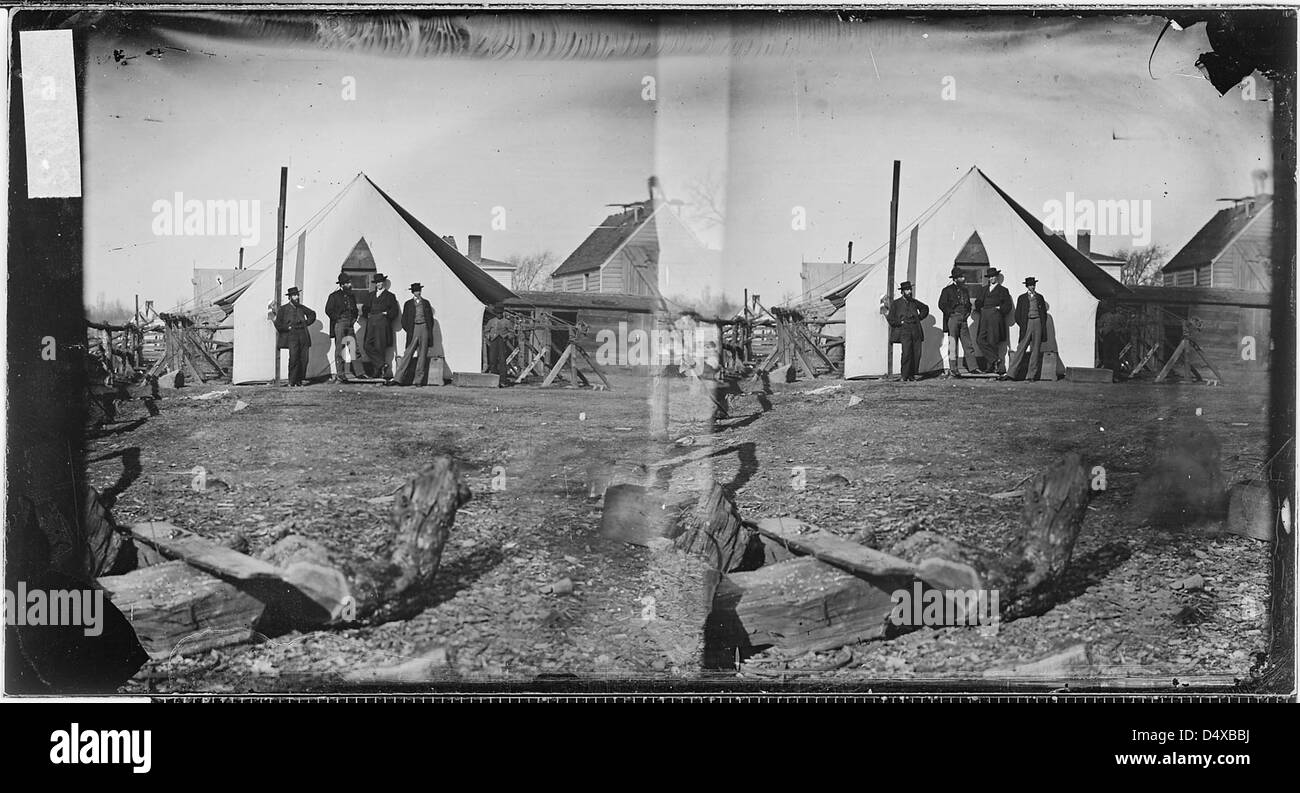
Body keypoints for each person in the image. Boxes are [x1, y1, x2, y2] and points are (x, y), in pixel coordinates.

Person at [392, 283, 445, 386]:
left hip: (424, 327)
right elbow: (404, 320)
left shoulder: (425, 303)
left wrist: (427, 329)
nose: (418, 292)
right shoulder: (408, 304)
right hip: (414, 328)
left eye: (419, 290)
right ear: (413, 292)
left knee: (422, 354)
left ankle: (418, 380)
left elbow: (430, 319)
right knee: (408, 353)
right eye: (416, 291)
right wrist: (410, 329)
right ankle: (398, 378)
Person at [1002, 277, 1050, 381]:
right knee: (1021, 348)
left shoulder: (1040, 297)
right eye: (1030, 285)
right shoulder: (1022, 298)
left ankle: (1031, 376)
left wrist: (1040, 325)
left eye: (1033, 285)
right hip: (1027, 323)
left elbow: (1044, 315)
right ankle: (1011, 373)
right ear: (1027, 286)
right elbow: (1017, 315)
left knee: (1036, 349)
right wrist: (1023, 325)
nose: (1032, 287)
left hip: (1037, 323)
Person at [937, 267, 979, 378]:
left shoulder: (965, 290)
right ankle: (953, 369)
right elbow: (942, 304)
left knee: (968, 344)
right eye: (961, 277)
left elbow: (969, 304)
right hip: (953, 318)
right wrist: (951, 313)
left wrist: (967, 313)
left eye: (963, 276)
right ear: (955, 279)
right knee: (952, 344)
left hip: (963, 319)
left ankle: (973, 367)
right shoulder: (947, 290)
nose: (963, 278)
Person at [274, 286, 316, 387]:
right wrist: (287, 328)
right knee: (294, 358)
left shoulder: (301, 307)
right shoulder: (283, 309)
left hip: (303, 335)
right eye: (294, 295)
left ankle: (299, 380)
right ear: (289, 297)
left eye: (297, 295)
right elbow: (277, 323)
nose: (296, 297)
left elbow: (312, 314)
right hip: (292, 336)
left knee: (304, 359)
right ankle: (291, 381)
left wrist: (306, 323)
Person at [360, 273, 399, 379]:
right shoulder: (371, 295)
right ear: (375, 284)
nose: (379, 284)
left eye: (380, 282)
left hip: (382, 323)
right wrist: (366, 315)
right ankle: (382, 364)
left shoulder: (390, 296)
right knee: (367, 345)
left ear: (384, 283)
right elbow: (365, 308)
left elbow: (394, 311)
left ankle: (379, 374)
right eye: (377, 282)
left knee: (379, 347)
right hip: (371, 322)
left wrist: (386, 314)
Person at [975, 267, 1014, 375]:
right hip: (984, 316)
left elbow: (1008, 306)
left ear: (997, 277)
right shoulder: (983, 289)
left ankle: (991, 368)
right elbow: (978, 302)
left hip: (995, 317)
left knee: (992, 341)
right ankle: (995, 360)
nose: (992, 278)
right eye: (990, 277)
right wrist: (980, 309)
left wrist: (998, 309)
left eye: (993, 276)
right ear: (988, 278)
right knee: (980, 340)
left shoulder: (1003, 290)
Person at [887, 281, 929, 382]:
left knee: (916, 353)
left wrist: (919, 318)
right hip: (904, 330)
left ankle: (912, 375)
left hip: (915, 329)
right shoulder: (896, 303)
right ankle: (904, 375)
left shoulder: (914, 302)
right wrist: (899, 322)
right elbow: (890, 318)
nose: (909, 291)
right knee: (906, 353)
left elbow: (925, 308)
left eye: (910, 289)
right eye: (907, 290)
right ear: (902, 292)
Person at [324, 273, 358, 383]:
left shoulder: (351, 296)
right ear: (342, 285)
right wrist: (337, 318)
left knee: (354, 348)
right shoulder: (334, 296)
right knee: (340, 348)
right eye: (347, 283)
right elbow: (328, 310)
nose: (349, 285)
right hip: (340, 323)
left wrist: (353, 320)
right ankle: (341, 374)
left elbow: (355, 310)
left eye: (349, 282)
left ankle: (360, 372)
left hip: (350, 323)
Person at [484, 305, 512, 379]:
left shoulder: (507, 322)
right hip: (493, 342)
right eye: (497, 313)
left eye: (500, 313)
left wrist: (507, 336)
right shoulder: (491, 321)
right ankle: (493, 378)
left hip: (502, 342)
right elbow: (486, 331)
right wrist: (488, 338)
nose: (499, 315)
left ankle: (503, 380)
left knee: (502, 361)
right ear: (495, 313)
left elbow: (512, 333)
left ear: (502, 313)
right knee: (492, 360)